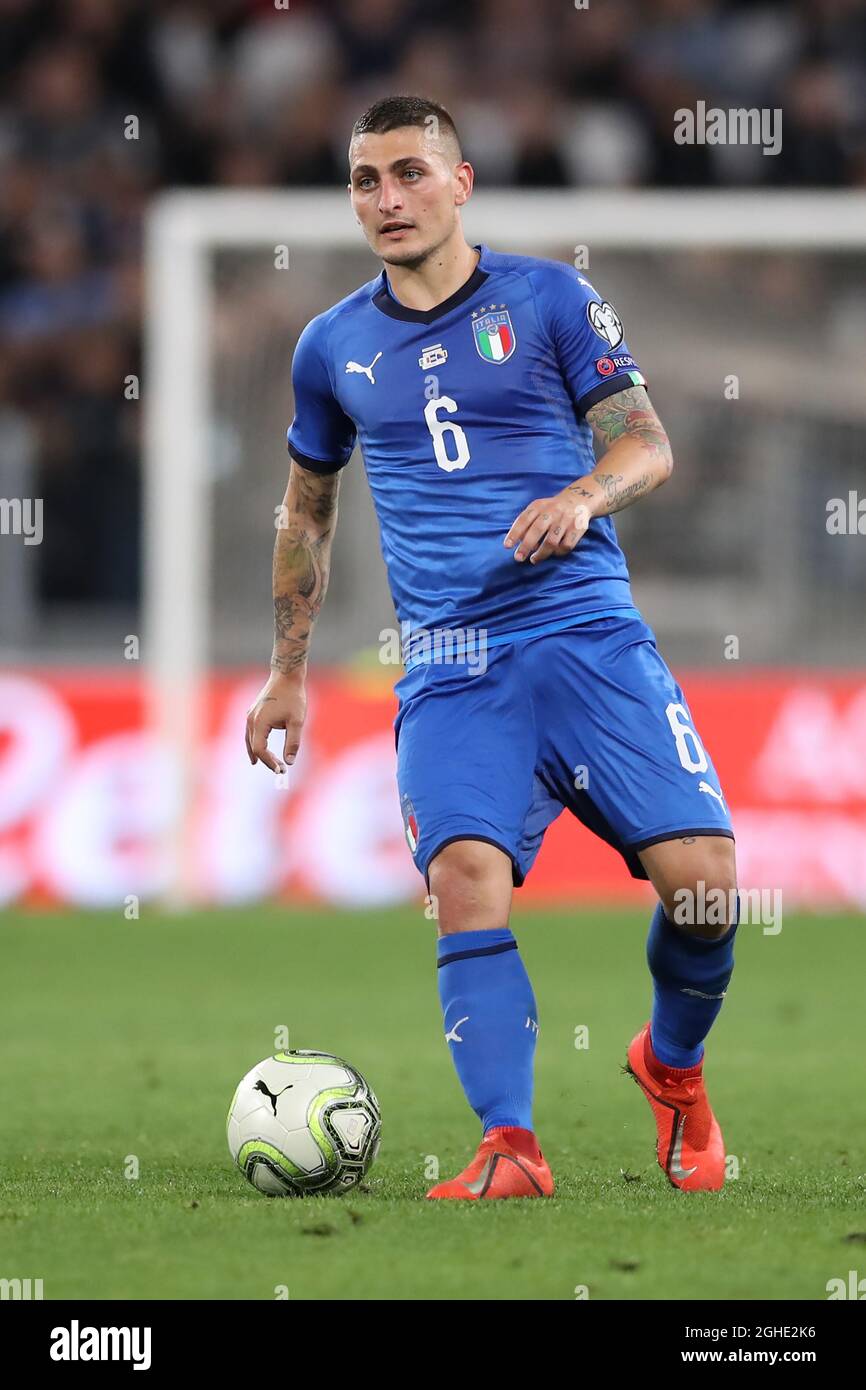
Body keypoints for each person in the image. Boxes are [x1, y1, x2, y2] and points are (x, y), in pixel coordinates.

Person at [245, 95, 738, 1200]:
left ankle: (670, 1064)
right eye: (366, 180)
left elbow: (645, 445)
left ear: (459, 183)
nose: (387, 198)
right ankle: (509, 1145)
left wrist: (581, 493)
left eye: (410, 173)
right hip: (454, 661)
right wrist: (285, 669)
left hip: (585, 634)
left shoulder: (549, 297)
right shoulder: (331, 347)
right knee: (465, 879)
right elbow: (306, 512)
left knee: (704, 890)